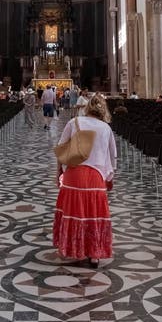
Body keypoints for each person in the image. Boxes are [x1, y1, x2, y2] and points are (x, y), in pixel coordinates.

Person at [53, 93, 116, 268]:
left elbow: (61, 147)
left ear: (87, 107)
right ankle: (94, 255)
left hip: (74, 175)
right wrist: (109, 176)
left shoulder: (74, 123)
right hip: (95, 177)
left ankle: (74, 249)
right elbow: (113, 156)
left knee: (74, 213)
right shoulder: (106, 128)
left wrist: (59, 171)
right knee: (94, 215)